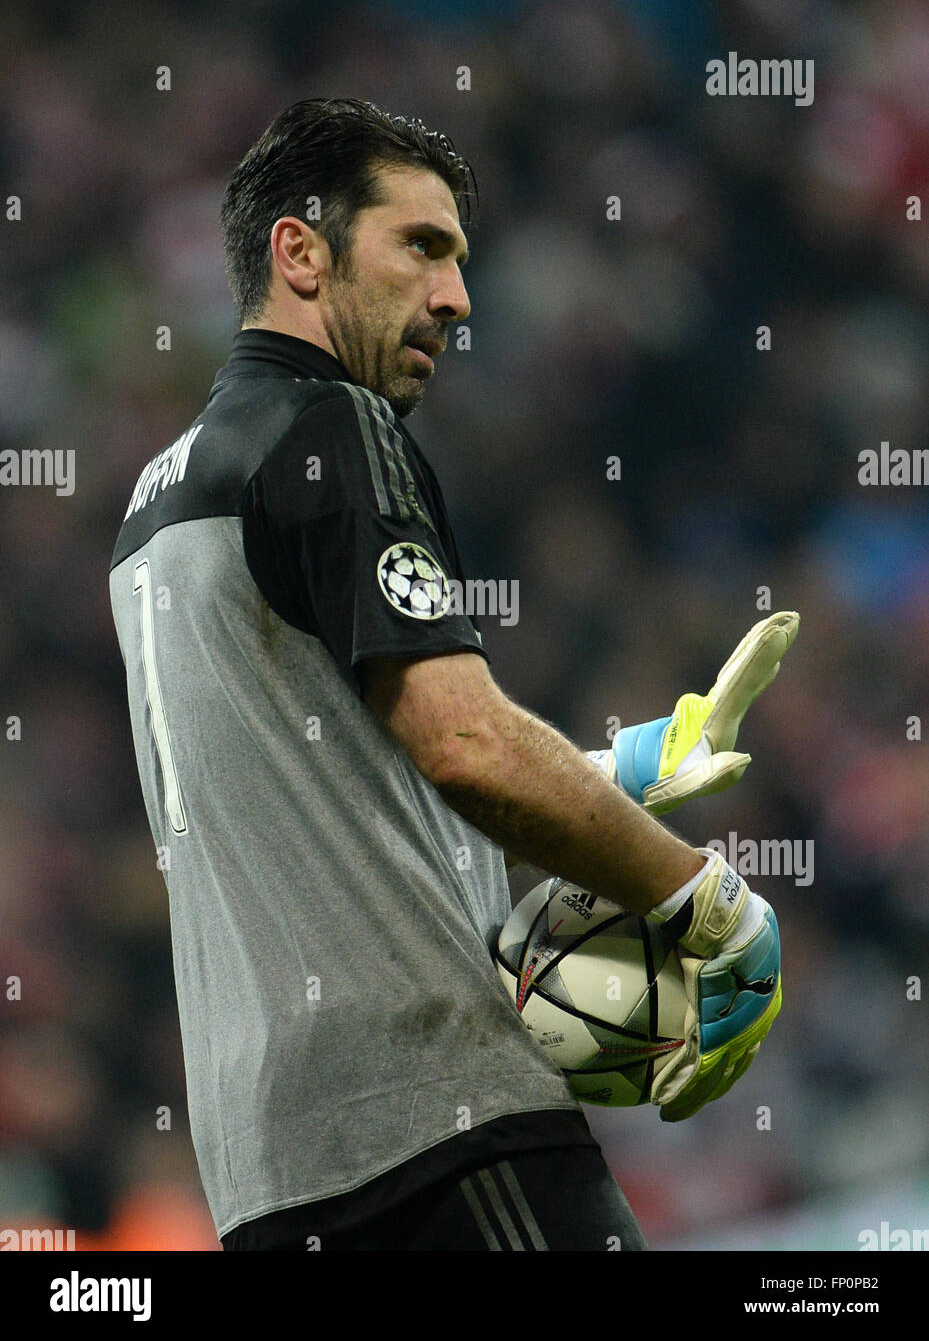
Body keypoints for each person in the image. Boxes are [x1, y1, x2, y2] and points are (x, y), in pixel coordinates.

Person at [109, 98, 787, 1251]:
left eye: (460, 258)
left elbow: (329, 795)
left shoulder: (151, 508)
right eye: (420, 246)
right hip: (435, 1122)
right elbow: (460, 745)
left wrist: (607, 768)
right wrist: (706, 904)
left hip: (268, 1184)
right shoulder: (331, 426)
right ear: (301, 251)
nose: (456, 296)